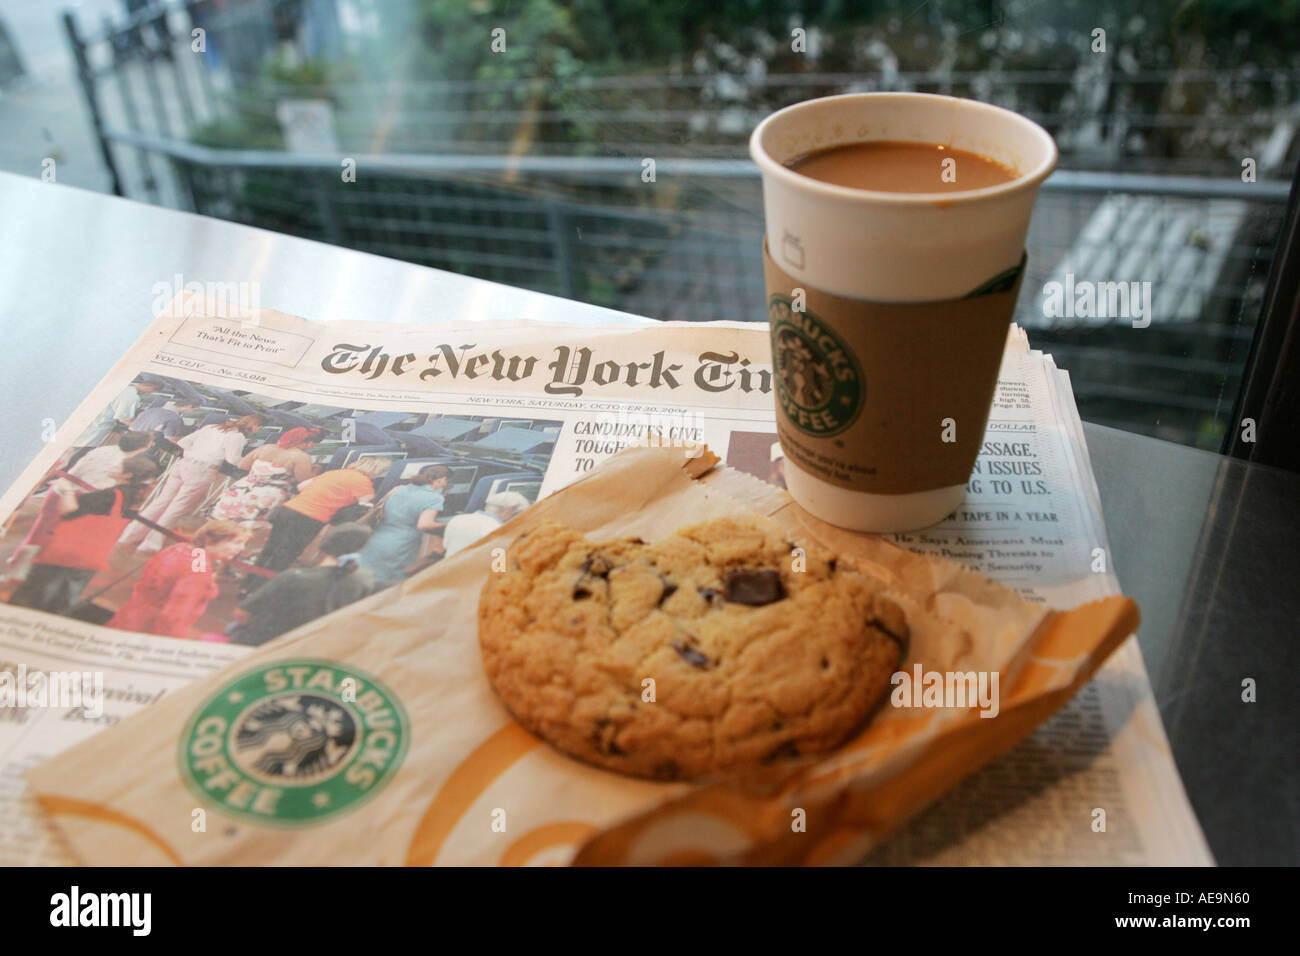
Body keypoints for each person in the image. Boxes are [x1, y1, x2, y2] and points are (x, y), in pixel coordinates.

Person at [8, 457, 159, 616]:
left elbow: (69, 510)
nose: (113, 465)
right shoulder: (135, 498)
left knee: (33, 596)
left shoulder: (110, 495)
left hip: (64, 553)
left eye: (119, 465)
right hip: (91, 558)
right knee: (61, 602)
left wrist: (66, 489)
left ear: (127, 475)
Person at [119, 414, 263, 552]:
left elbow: (183, 442)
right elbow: (233, 460)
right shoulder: (237, 437)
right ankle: (149, 545)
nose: (258, 431)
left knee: (161, 502)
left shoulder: (212, 427)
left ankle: (128, 537)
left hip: (183, 464)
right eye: (259, 428)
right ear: (255, 426)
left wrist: (195, 454)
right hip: (202, 471)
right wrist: (251, 462)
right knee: (176, 508)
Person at [227, 523, 373, 646]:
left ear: (326, 543)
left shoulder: (295, 577)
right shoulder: (363, 581)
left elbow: (241, 613)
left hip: (262, 641)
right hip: (306, 646)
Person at [107, 520, 252, 639]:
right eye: (237, 542)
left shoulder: (179, 549)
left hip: (128, 618)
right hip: (147, 631)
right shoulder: (198, 568)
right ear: (212, 541)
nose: (241, 548)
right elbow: (176, 616)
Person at [22, 432, 155, 555]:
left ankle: (19, 563)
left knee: (38, 533)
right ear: (142, 448)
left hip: (60, 490)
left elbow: (77, 468)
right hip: (83, 500)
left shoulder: (103, 450)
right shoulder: (124, 464)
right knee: (61, 538)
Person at [253, 457, 389, 574]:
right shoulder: (363, 481)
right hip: (310, 518)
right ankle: (262, 587)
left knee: (270, 548)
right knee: (287, 554)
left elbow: (302, 486)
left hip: (289, 509)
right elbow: (365, 504)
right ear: (376, 471)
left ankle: (248, 584)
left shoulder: (334, 473)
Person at [354, 465, 449, 586]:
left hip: (376, 541)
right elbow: (425, 524)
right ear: (441, 479)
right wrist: (453, 523)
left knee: (365, 581)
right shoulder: (435, 498)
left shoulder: (398, 489)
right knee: (388, 588)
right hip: (400, 546)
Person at [210, 425, 320, 525]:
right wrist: (314, 470)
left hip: (241, 491)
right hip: (268, 497)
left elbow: (242, 465)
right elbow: (303, 481)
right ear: (309, 443)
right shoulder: (301, 457)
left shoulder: (266, 447)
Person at [67, 380, 160, 466]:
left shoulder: (125, 388)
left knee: (70, 453)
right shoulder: (131, 396)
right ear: (149, 386)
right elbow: (123, 419)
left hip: (88, 423)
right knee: (75, 457)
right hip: (96, 429)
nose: (150, 393)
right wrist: (143, 429)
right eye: (152, 390)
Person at [441, 490, 530, 558]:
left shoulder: (458, 519)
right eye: (518, 514)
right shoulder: (498, 531)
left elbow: (446, 546)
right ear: (509, 510)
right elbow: (498, 567)